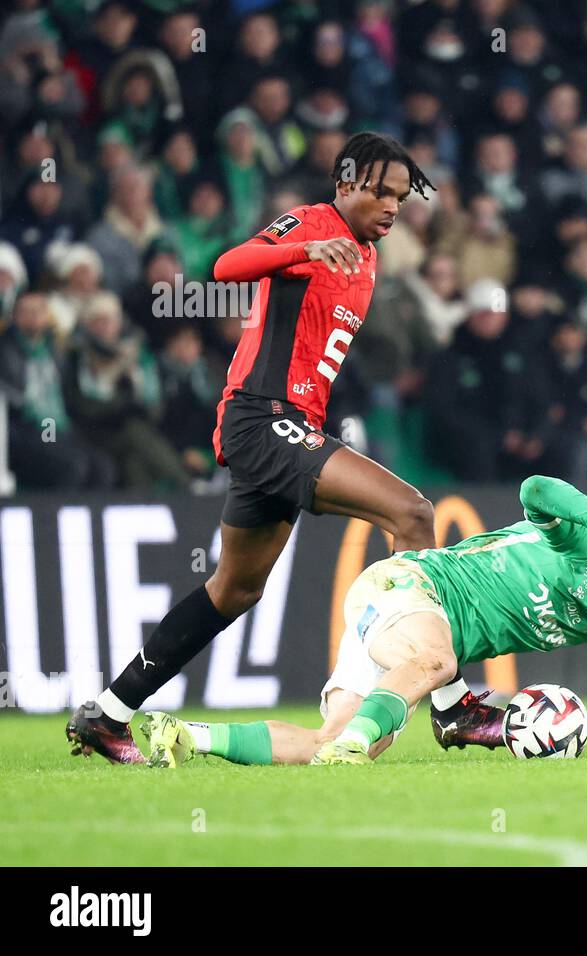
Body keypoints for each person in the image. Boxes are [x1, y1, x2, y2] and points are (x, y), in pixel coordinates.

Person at [67, 133, 442, 764]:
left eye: (401, 198)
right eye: (380, 191)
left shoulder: (368, 255)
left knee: (235, 589)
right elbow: (226, 266)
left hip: (293, 424)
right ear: (346, 183)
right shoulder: (314, 224)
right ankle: (438, 703)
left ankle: (107, 713)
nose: (392, 206)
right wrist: (301, 247)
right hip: (263, 418)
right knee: (412, 515)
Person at [139, 476, 587, 766]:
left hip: (397, 624)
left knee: (330, 739)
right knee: (435, 663)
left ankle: (190, 736)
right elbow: (535, 489)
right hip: (409, 586)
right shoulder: (580, 540)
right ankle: (354, 751)